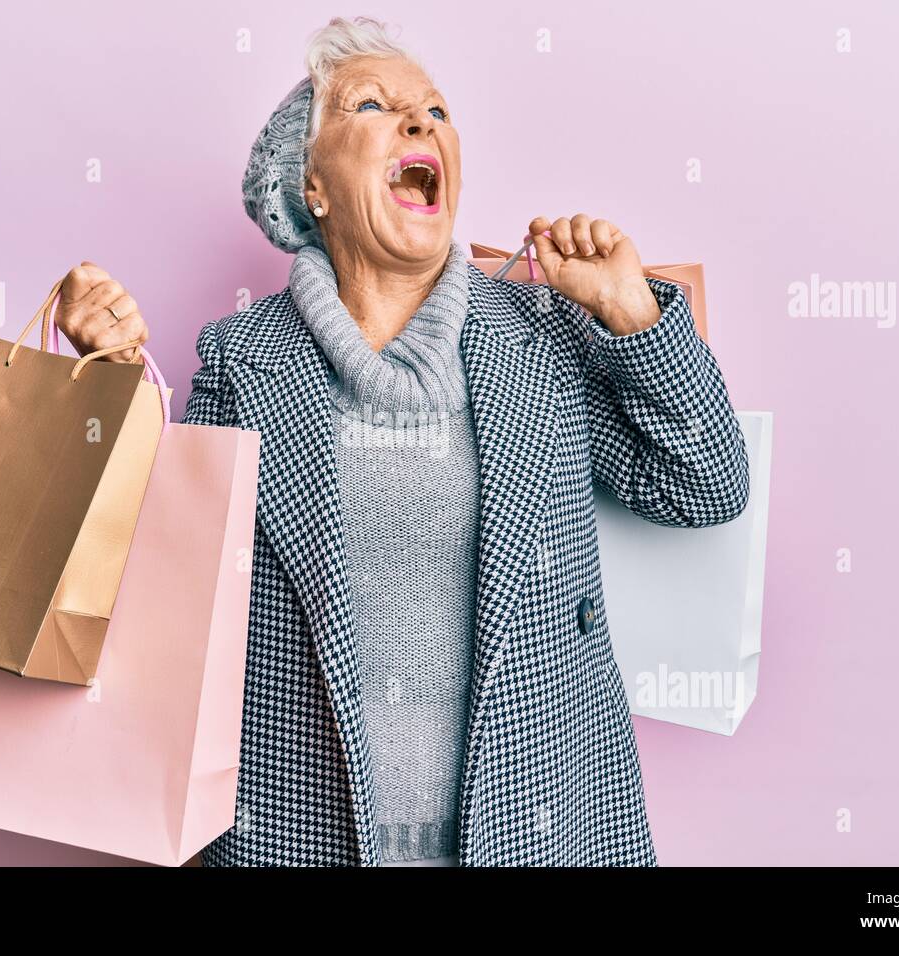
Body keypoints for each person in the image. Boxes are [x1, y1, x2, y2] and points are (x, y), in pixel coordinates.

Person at [55, 15, 750, 866]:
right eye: (374, 105)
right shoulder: (243, 361)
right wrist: (111, 381)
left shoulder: (545, 336)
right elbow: (157, 587)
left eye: (437, 111)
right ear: (310, 183)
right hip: (297, 839)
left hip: (546, 836)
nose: (421, 122)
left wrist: (635, 317)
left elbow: (706, 485)